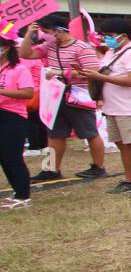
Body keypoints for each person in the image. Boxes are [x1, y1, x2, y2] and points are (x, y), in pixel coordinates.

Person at [18, 13, 107, 182]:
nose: (44, 35)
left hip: (77, 95)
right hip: (55, 96)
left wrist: (61, 72)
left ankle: (98, 166)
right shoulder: (50, 47)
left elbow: (92, 72)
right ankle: (51, 169)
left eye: (45, 31)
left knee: (89, 132)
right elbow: (25, 54)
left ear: (58, 30)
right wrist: (29, 34)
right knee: (54, 134)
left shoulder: (82, 48)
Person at [75, 18, 131, 197]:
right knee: (123, 146)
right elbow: (105, 73)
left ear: (124, 36)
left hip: (129, 107)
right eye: (104, 36)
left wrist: (100, 77)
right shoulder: (111, 52)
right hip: (112, 107)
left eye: (110, 36)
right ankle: (129, 179)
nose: (107, 40)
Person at [0, 34, 35, 209]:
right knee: (3, 157)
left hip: (13, 116)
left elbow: (28, 93)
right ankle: (17, 192)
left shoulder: (19, 69)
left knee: (12, 156)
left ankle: (23, 196)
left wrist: (2, 92)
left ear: (6, 48)